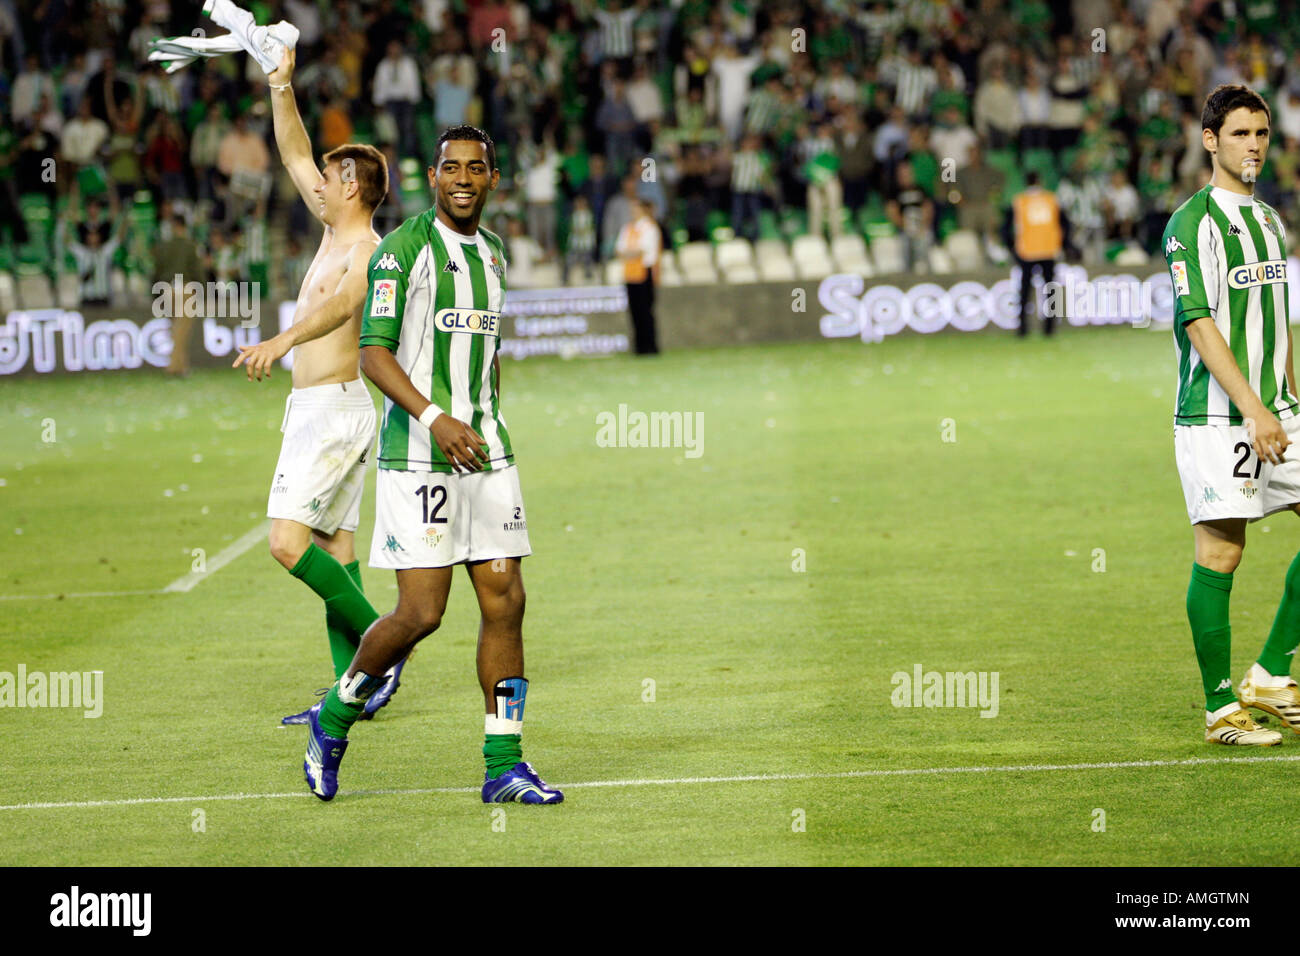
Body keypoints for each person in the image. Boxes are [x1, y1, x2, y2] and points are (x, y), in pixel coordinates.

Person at [297, 123, 563, 805]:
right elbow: (373, 355)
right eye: (452, 168)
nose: (465, 179)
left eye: (477, 169)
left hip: (487, 456)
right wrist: (435, 418)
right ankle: (334, 717)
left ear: (493, 179)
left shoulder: (497, 255)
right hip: (419, 456)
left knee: (507, 601)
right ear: (434, 176)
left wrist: (480, 417)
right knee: (421, 613)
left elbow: (487, 353)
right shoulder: (402, 251)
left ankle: (503, 760)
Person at [229, 48, 405, 726]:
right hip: (318, 410)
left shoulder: (368, 251)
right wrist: (281, 81)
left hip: (334, 411)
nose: (316, 184)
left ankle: (382, 649)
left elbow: (342, 308)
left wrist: (283, 338)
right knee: (334, 549)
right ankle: (351, 693)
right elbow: (294, 152)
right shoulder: (336, 228)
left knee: (287, 543)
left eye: (331, 177)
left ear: (354, 187)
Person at [1164, 84, 1300, 746]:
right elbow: (1200, 323)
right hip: (1218, 417)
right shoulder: (1192, 224)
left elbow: (1279, 320)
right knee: (1223, 551)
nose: (1253, 145)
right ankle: (1222, 709)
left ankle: (1271, 673)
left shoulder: (1272, 222)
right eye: (1240, 133)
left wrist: (1288, 397)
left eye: (1262, 134)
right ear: (1211, 140)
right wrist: (1252, 408)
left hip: (1280, 412)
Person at [1001, 170, 1071, 335]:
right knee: (1051, 289)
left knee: (1025, 291)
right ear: (1040, 181)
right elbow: (1066, 224)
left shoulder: (1019, 201)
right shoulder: (1051, 199)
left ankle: (1022, 328)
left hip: (1027, 251)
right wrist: (1063, 244)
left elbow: (1005, 228)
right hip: (1048, 250)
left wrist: (1012, 247)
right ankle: (1050, 328)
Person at [155, 213, 207, 377]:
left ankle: (181, 366)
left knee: (176, 329)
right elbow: (197, 270)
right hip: (185, 288)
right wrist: (204, 289)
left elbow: (158, 270)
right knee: (182, 330)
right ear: (184, 226)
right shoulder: (190, 245)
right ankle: (172, 367)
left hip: (167, 288)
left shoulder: (164, 246)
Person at [616, 197, 661, 355]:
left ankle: (651, 346)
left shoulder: (649, 227)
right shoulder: (628, 228)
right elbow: (619, 250)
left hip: (644, 272)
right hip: (630, 274)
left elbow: (642, 250)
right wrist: (630, 253)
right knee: (634, 312)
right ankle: (639, 347)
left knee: (646, 311)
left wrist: (629, 253)